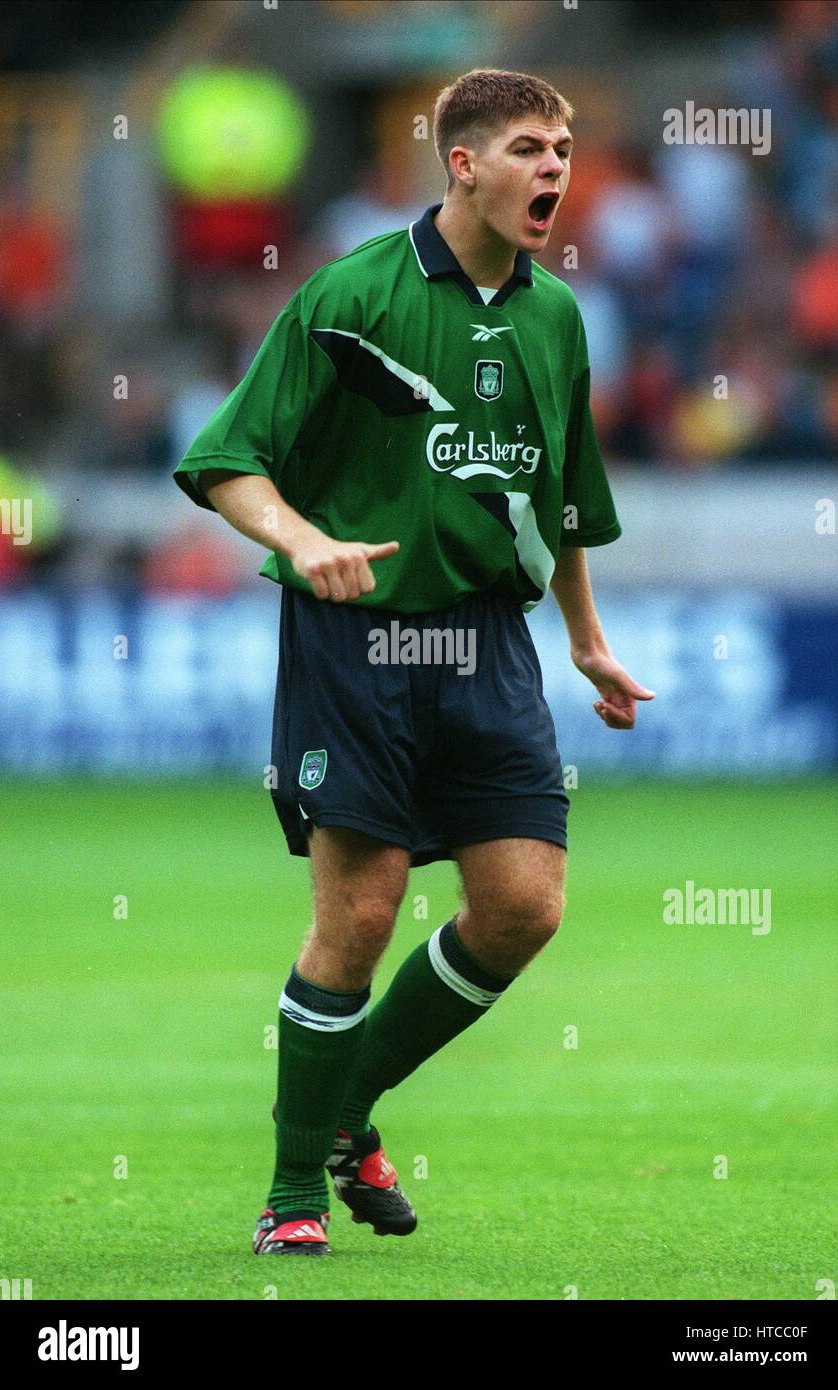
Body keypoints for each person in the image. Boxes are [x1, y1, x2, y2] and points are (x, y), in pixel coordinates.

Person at [173, 68, 655, 1257]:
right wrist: (303, 539)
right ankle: (291, 1199)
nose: (555, 169)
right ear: (463, 164)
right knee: (361, 913)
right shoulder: (350, 297)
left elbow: (561, 501)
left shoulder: (554, 316)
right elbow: (229, 458)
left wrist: (584, 638)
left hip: (485, 644)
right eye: (533, 149)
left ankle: (343, 1110)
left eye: (564, 148)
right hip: (356, 642)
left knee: (522, 907)